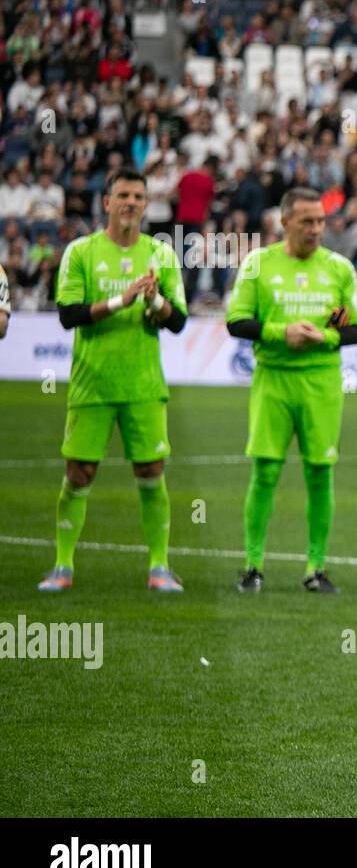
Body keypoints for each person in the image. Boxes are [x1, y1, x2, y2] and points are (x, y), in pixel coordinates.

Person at [38, 168, 188, 593]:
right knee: (80, 471)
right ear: (106, 202)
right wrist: (124, 299)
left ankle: (159, 567)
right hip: (93, 384)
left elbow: (177, 322)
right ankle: (62, 566)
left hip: (143, 385)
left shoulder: (160, 255)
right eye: (122, 194)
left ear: (146, 204)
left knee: (151, 469)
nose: (131, 203)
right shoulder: (81, 252)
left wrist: (154, 300)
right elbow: (69, 315)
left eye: (139, 196)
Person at [225, 188, 357, 594]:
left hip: (321, 382)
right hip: (273, 379)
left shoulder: (339, 269)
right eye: (307, 221)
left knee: (320, 473)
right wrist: (279, 332)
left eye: (321, 221)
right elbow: (236, 321)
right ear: (284, 222)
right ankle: (252, 566)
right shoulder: (258, 264)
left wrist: (324, 336)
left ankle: (315, 568)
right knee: (266, 471)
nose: (316, 229)